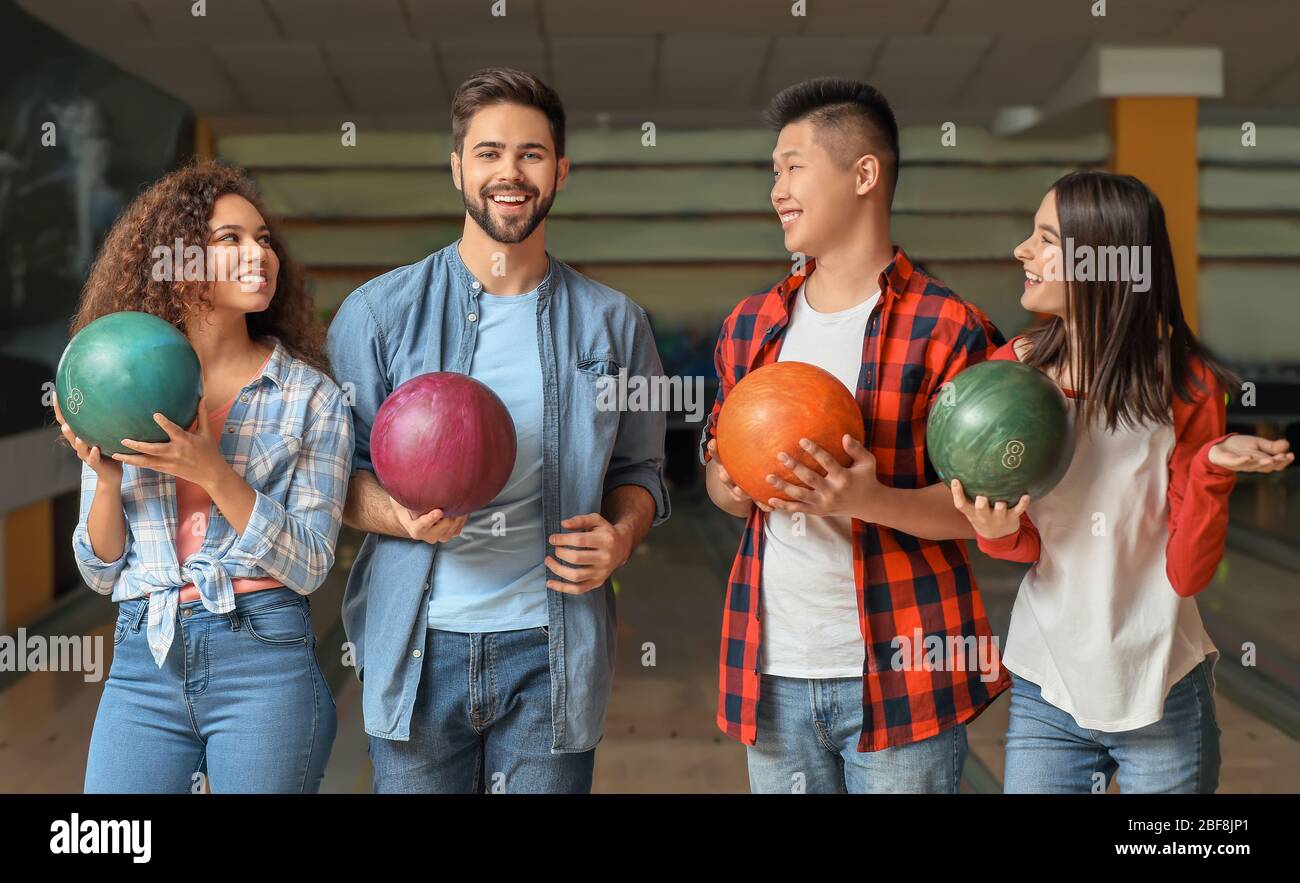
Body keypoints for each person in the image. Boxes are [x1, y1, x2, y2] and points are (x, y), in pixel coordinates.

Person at [326, 68, 669, 794]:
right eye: (487, 153)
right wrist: (401, 519)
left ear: (561, 170)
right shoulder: (378, 315)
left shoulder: (615, 323)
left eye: (531, 154)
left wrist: (622, 535)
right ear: (457, 167)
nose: (509, 172)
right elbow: (332, 477)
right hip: (418, 654)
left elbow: (641, 472)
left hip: (552, 654)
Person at [699, 78, 1010, 793]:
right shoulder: (750, 327)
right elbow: (725, 484)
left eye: (793, 166)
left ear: (864, 173)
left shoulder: (948, 328)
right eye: (773, 171)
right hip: (773, 669)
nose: (776, 188)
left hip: (904, 669)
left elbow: (985, 513)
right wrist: (727, 480)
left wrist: (868, 498)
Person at [951, 170, 1294, 793]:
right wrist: (993, 530)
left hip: (1160, 679)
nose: (1021, 251)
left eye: (1047, 239)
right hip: (1047, 681)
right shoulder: (1008, 379)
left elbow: (1187, 574)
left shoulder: (1185, 386)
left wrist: (1210, 471)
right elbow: (1025, 545)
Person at [64, 161, 353, 793]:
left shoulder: (312, 398)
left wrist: (214, 471)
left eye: (264, 240)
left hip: (263, 656)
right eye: (231, 240)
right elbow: (100, 569)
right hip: (145, 657)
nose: (260, 254)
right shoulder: (121, 383)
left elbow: (308, 563)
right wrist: (107, 481)